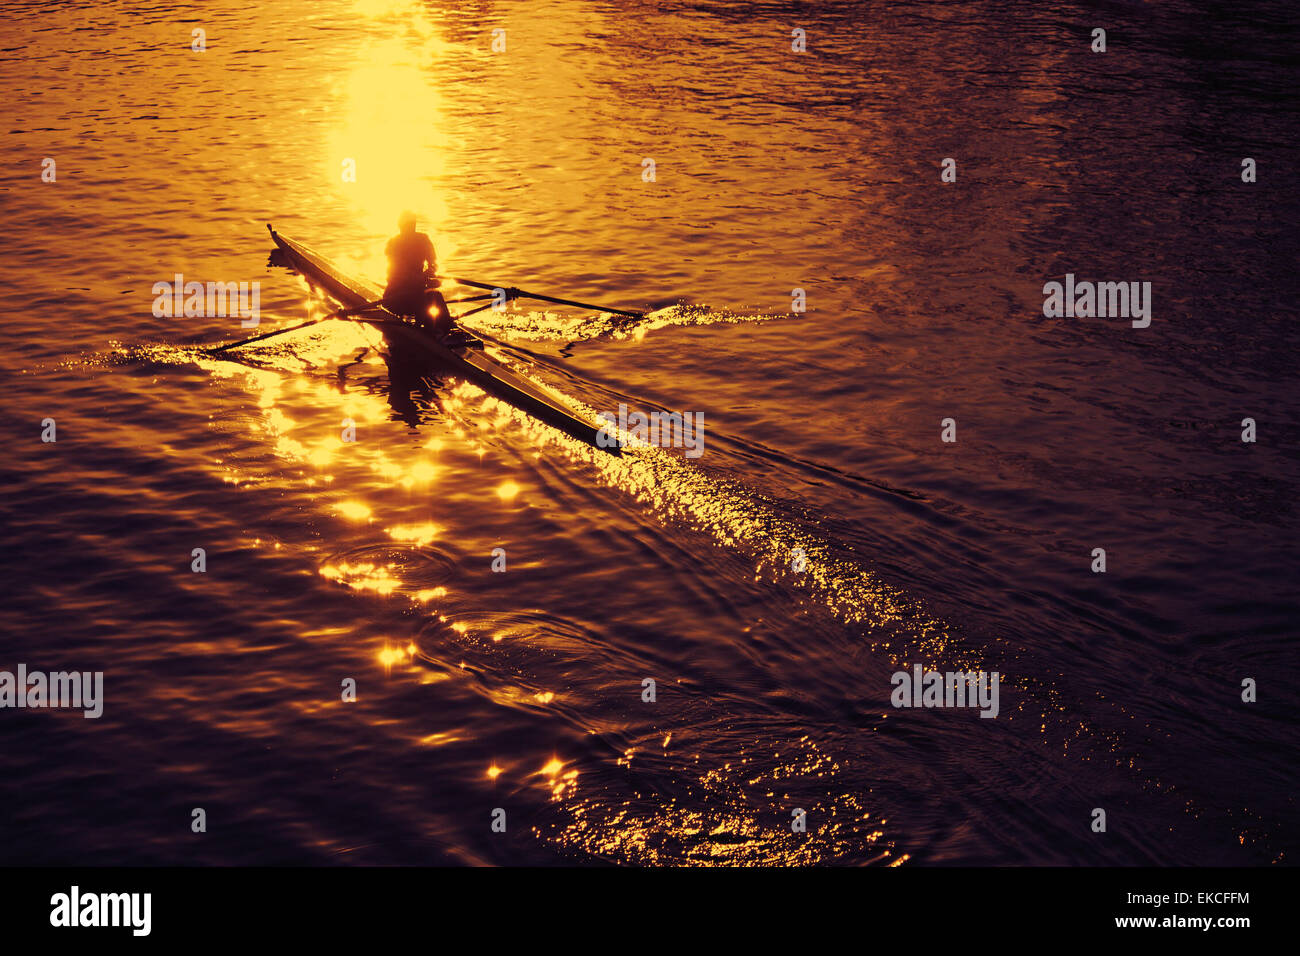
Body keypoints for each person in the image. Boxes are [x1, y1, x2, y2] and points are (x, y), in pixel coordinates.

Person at [383, 212, 453, 338]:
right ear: (400, 226)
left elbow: (433, 263)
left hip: (417, 289)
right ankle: (429, 333)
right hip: (396, 293)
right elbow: (395, 272)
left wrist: (431, 273)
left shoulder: (423, 240)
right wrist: (420, 279)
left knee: (436, 295)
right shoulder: (393, 243)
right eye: (408, 225)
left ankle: (444, 328)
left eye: (412, 224)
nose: (411, 227)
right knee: (425, 298)